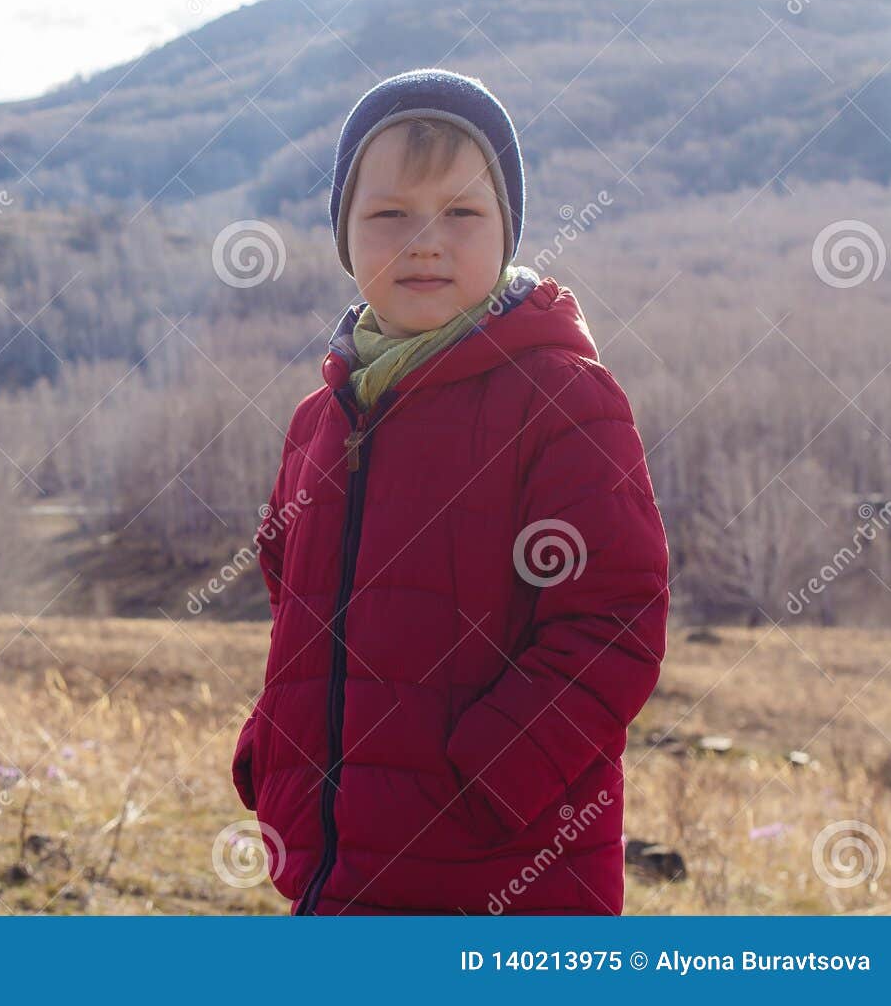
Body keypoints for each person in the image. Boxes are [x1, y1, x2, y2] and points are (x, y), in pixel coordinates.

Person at [231, 67, 669, 915]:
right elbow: (298, 601)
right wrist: (273, 743)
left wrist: (497, 770)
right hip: (336, 869)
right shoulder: (320, 417)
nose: (425, 241)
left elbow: (616, 617)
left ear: (507, 233)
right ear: (345, 237)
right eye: (390, 214)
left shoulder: (560, 398)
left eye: (462, 214)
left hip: (505, 873)